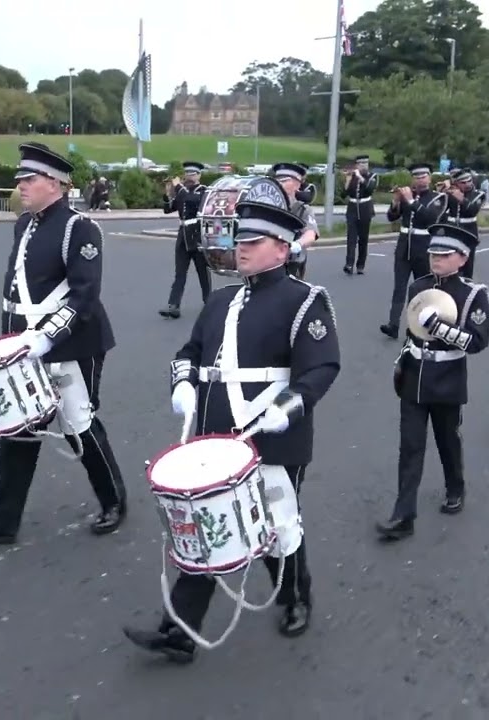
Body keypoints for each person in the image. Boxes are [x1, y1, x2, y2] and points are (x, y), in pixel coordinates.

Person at [122, 193, 341, 664]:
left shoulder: (304, 302)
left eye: (255, 241)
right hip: (218, 437)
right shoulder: (220, 301)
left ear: (283, 249)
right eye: (239, 239)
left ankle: (295, 599)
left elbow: (321, 368)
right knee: (207, 527)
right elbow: (189, 353)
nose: (241, 248)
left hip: (276, 437)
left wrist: (290, 407)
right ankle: (179, 632)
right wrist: (183, 385)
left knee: (277, 529)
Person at [0, 143, 128, 546]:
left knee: (77, 423)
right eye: (20, 180)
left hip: (71, 343)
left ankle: (113, 500)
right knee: (19, 429)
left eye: (29, 180)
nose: (21, 187)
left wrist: (47, 336)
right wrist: (11, 344)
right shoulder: (25, 224)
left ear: (56, 183)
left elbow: (84, 296)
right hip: (23, 346)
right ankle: (1, 519)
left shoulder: (79, 228)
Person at [377, 224, 489, 540]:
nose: (436, 259)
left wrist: (441, 329)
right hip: (415, 377)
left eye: (444, 254)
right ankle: (404, 515)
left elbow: (478, 342)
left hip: (448, 379)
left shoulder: (473, 295)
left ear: (463, 257)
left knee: (447, 440)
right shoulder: (419, 287)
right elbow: (412, 333)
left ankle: (455, 486)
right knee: (410, 446)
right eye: (433, 253)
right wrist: (401, 363)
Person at [379, 163, 452, 339]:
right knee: (399, 288)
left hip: (424, 248)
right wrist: (396, 201)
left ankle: (420, 326)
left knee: (422, 289)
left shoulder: (438, 198)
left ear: (429, 178)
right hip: (404, 247)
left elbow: (430, 219)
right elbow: (392, 217)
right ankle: (393, 324)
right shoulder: (406, 196)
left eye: (423, 176)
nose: (420, 179)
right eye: (416, 176)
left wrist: (411, 201)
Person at [159, 161, 211, 319]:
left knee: (202, 271)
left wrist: (178, 188)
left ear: (199, 175)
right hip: (183, 235)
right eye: (187, 173)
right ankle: (173, 305)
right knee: (180, 272)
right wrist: (167, 194)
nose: (189, 176)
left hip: (197, 234)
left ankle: (208, 301)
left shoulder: (203, 191)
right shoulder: (182, 191)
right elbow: (168, 209)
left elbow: (191, 201)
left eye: (193, 174)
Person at [271, 162, 319, 279]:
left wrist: (297, 244)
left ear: (297, 185)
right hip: (268, 260)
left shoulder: (303, 209)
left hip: (292, 261)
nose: (279, 184)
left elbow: (310, 233)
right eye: (277, 180)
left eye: (285, 180)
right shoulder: (267, 205)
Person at [343, 154, 378, 275]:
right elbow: (345, 193)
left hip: (365, 208)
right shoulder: (352, 176)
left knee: (363, 239)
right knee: (351, 238)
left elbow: (369, 188)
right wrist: (347, 180)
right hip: (352, 207)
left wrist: (359, 176)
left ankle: (360, 265)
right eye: (360, 164)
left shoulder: (372, 176)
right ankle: (349, 264)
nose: (363, 166)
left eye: (365, 163)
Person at [448, 168, 486, 278]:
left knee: (467, 264)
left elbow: (472, 211)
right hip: (452, 231)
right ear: (456, 184)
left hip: (469, 231)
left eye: (469, 181)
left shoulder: (478, 194)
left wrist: (462, 200)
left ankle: (467, 287)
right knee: (452, 263)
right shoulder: (450, 193)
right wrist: (443, 191)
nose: (467, 184)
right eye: (463, 183)